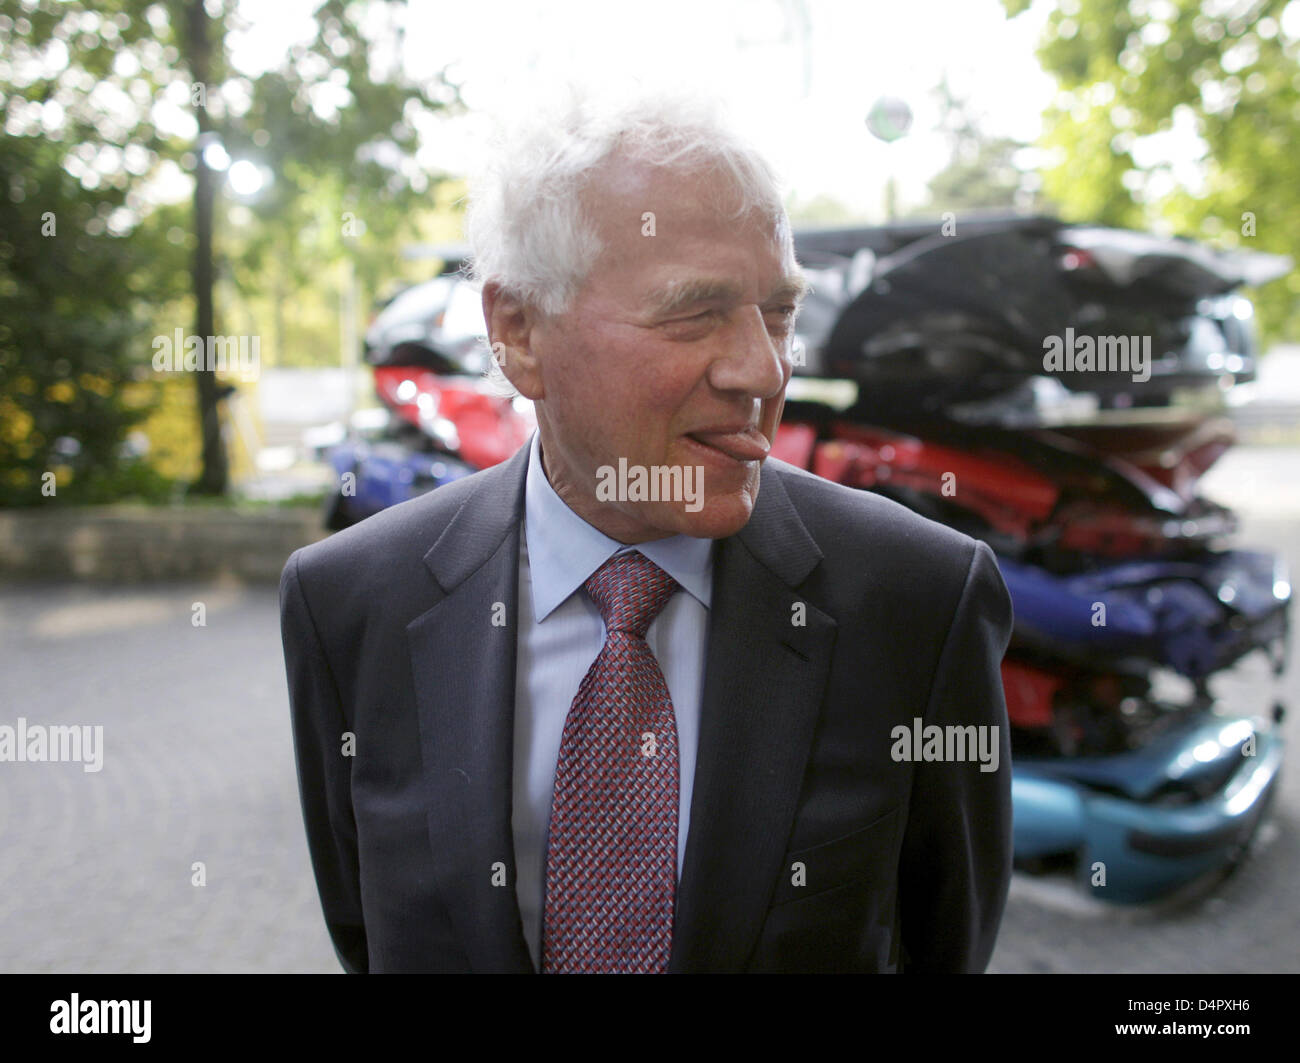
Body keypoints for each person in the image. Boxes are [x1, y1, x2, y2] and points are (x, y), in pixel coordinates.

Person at [280, 88, 1014, 973]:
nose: (764, 369)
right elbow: (367, 932)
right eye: (694, 313)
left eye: (778, 311)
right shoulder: (349, 602)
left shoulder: (919, 601)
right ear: (518, 332)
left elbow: (949, 943)